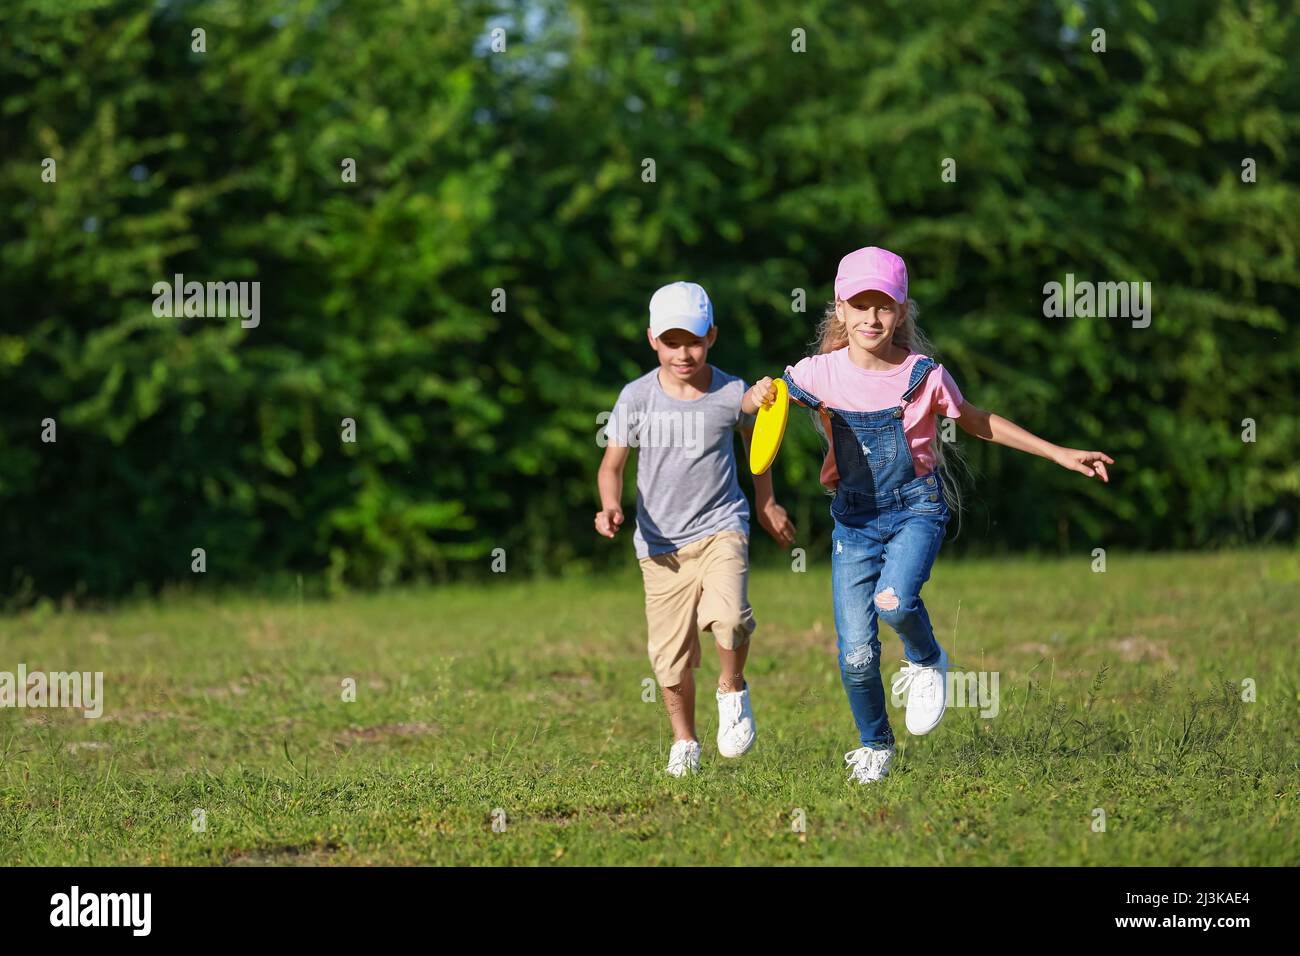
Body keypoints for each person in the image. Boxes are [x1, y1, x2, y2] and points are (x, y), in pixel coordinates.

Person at [742, 247, 1113, 784]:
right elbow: (767, 409)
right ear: (840, 310)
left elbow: (979, 421)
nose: (872, 318)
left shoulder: (923, 375)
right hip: (853, 520)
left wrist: (1059, 453)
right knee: (855, 654)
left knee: (893, 602)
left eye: (885, 306)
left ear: (902, 312)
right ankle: (875, 745)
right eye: (860, 305)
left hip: (916, 508)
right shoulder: (816, 375)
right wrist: (756, 399)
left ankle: (926, 657)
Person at [596, 281, 796, 777]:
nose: (682, 352)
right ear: (651, 340)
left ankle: (732, 688)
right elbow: (612, 466)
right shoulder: (636, 397)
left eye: (693, 340)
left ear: (712, 337)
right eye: (671, 341)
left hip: (720, 526)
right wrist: (609, 506)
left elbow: (760, 450)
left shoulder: (731, 392)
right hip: (660, 547)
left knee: (729, 618)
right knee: (669, 660)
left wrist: (767, 502)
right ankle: (685, 741)